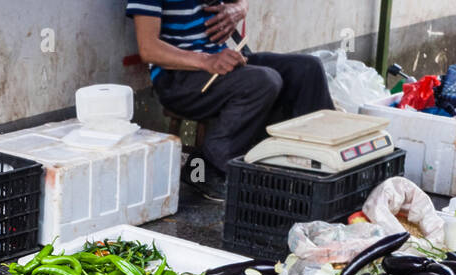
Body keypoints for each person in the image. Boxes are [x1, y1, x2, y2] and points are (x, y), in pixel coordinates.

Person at [126, 1, 334, 200]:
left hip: (221, 60)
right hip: (178, 78)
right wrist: (206, 60)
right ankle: (210, 163)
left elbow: (241, 2)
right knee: (263, 81)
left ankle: (323, 160)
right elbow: (148, 49)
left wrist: (238, 8)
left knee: (308, 68)